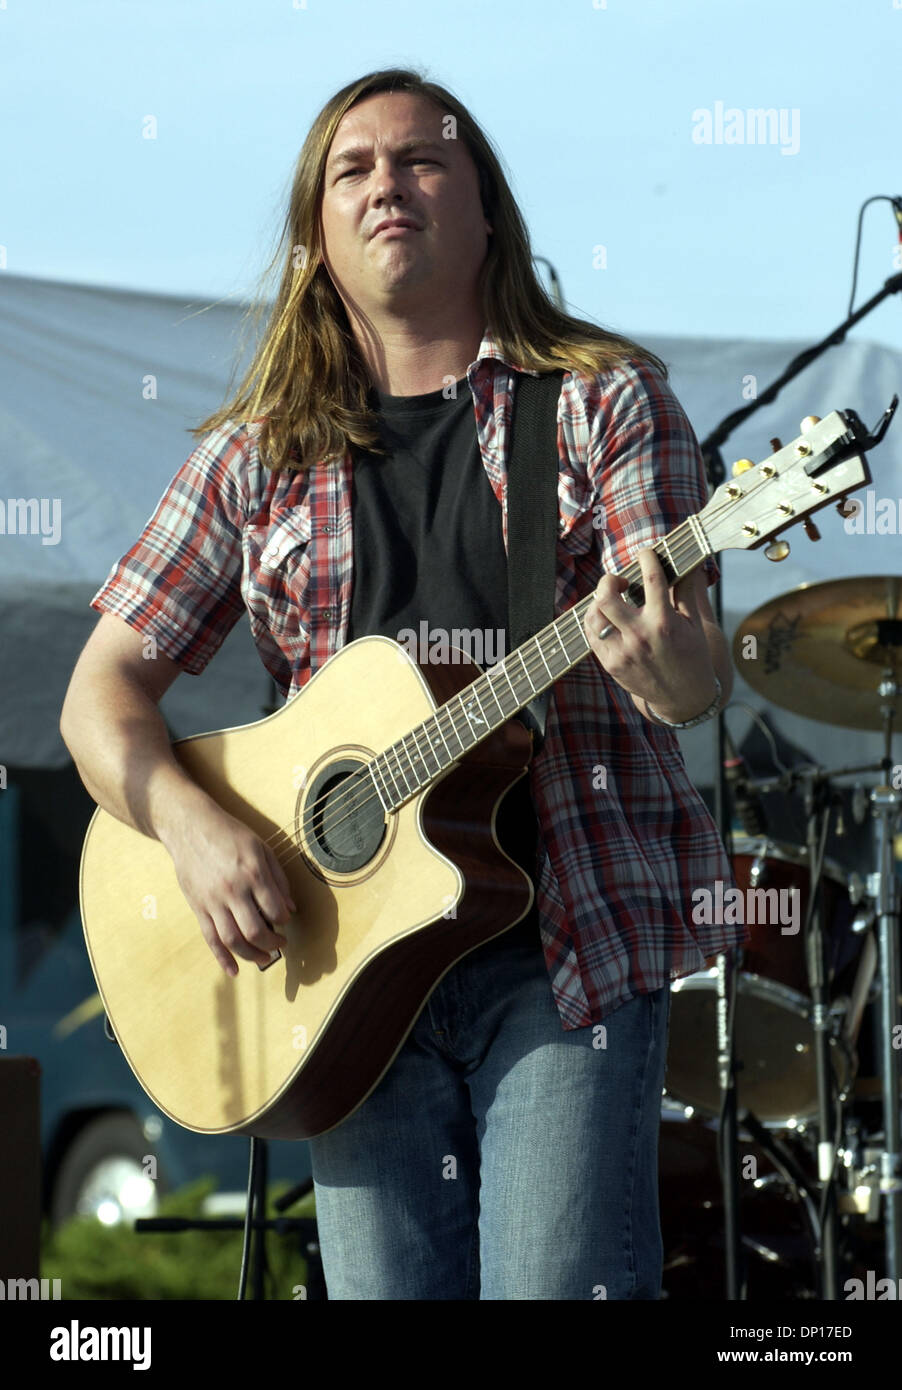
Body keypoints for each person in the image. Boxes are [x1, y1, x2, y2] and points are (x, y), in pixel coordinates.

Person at [60, 67, 747, 1300]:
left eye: (422, 160)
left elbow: (686, 670)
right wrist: (193, 825)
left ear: (487, 210)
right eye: (352, 169)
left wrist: (685, 677)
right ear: (314, 241)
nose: (387, 182)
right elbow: (98, 694)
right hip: (336, 980)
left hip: (559, 946)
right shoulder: (256, 455)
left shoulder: (601, 400)